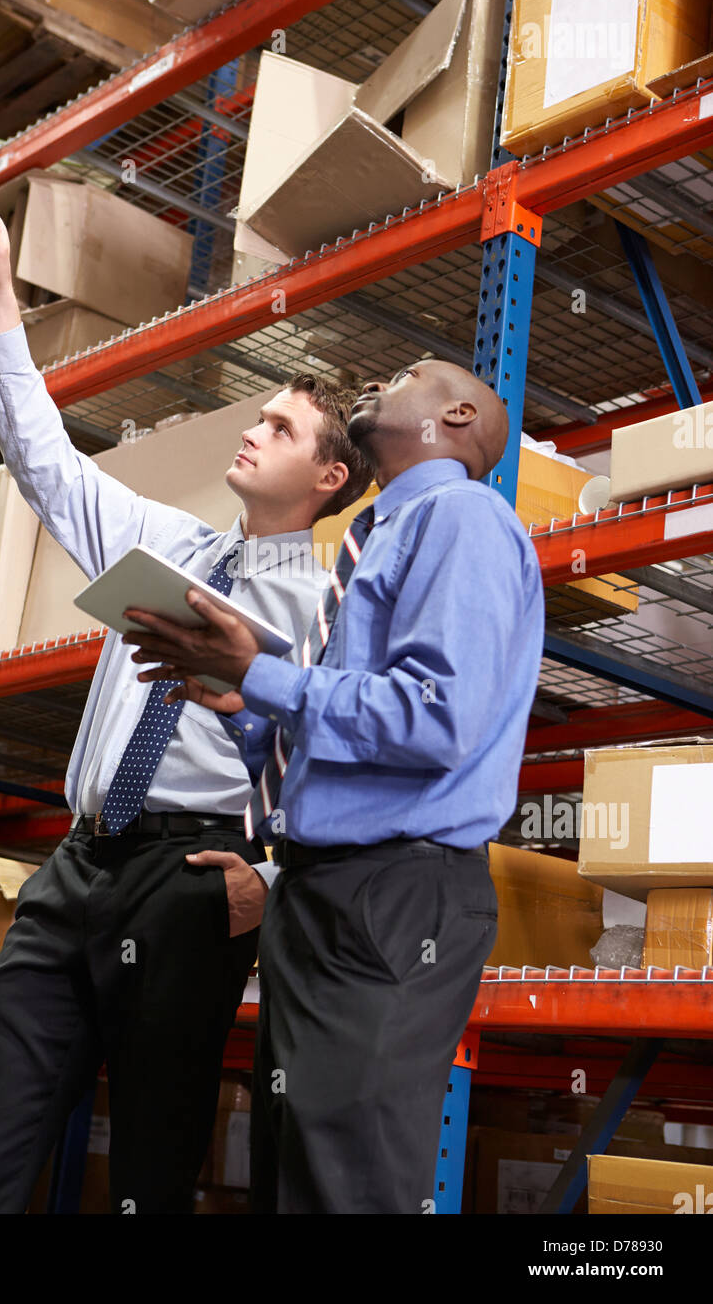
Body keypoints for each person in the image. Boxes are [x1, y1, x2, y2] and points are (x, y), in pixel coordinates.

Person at [0, 172, 372, 1215]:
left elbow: (364, 768)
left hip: (192, 880)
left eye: (282, 429)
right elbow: (40, 459)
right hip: (80, 864)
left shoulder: (331, 614)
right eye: (256, 415)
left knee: (157, 1150)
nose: (252, 432)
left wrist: (276, 875)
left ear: (329, 479)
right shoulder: (170, 542)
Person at [119, 359, 545, 1214]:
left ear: (456, 414)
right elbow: (349, 736)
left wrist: (265, 676)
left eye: (408, 373)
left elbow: (435, 718)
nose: (379, 379)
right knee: (293, 1171)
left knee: (343, 1183)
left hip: (394, 896)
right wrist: (246, 706)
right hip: (325, 892)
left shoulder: (459, 518)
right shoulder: (376, 540)